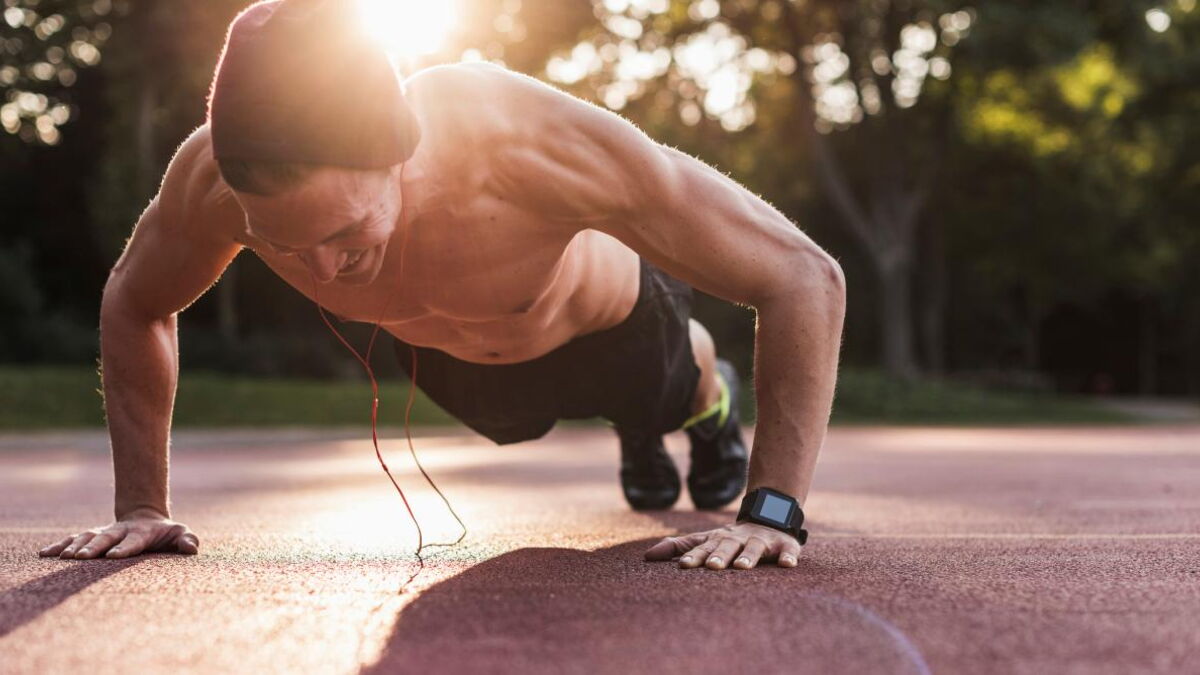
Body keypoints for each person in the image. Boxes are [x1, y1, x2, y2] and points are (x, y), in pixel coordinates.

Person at [37, 0, 845, 571]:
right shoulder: (209, 182)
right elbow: (137, 300)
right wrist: (142, 505)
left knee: (671, 390)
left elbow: (804, 276)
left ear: (401, 153)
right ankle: (639, 430)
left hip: (618, 327)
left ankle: (706, 405)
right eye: (284, 244)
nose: (320, 272)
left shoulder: (522, 145)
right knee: (515, 424)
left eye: (346, 233)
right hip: (463, 371)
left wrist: (773, 512)